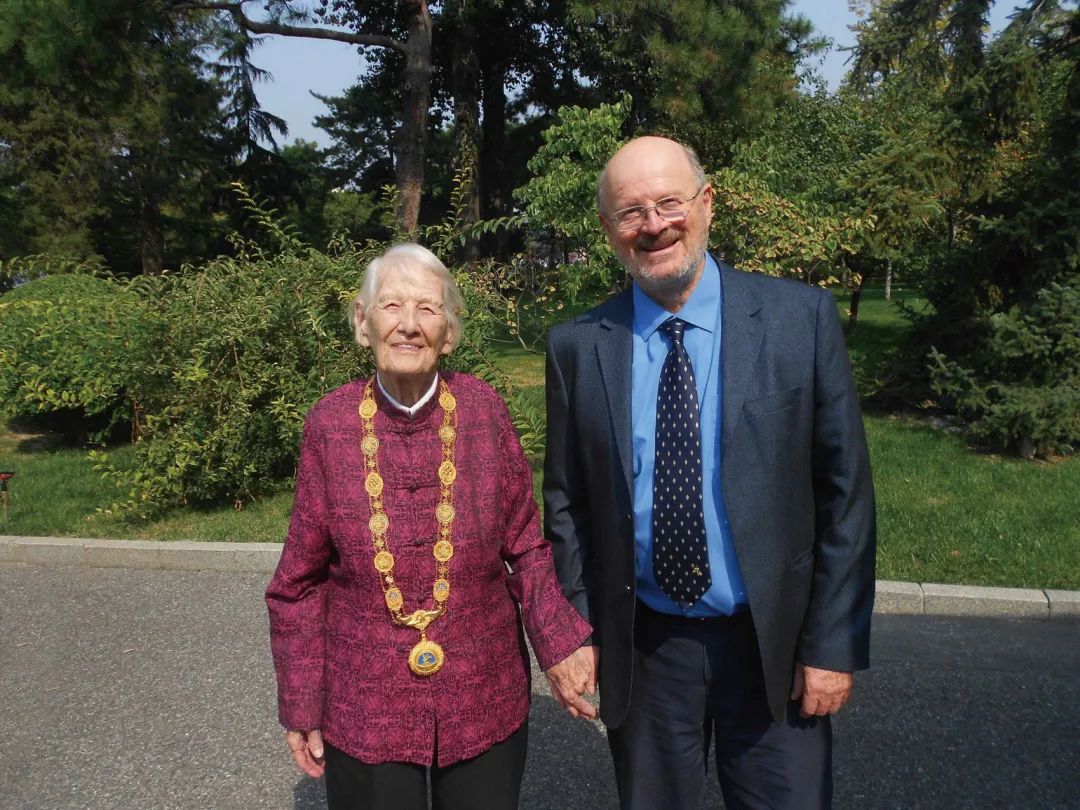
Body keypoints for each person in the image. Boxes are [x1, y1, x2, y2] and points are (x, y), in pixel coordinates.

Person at [542, 136, 877, 809]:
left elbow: (845, 496)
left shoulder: (798, 320)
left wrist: (832, 643)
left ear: (706, 204)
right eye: (631, 212)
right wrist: (574, 626)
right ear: (609, 230)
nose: (655, 225)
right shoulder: (579, 346)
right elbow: (565, 502)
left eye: (669, 202)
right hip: (649, 647)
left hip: (773, 644)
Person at [266, 242, 592, 810]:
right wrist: (301, 702)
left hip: (482, 689)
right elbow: (298, 582)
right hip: (364, 701)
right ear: (363, 325)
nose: (409, 326)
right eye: (391, 306)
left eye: (428, 309)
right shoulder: (330, 424)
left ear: (449, 331)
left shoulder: (485, 410)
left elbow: (526, 546)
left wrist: (559, 643)